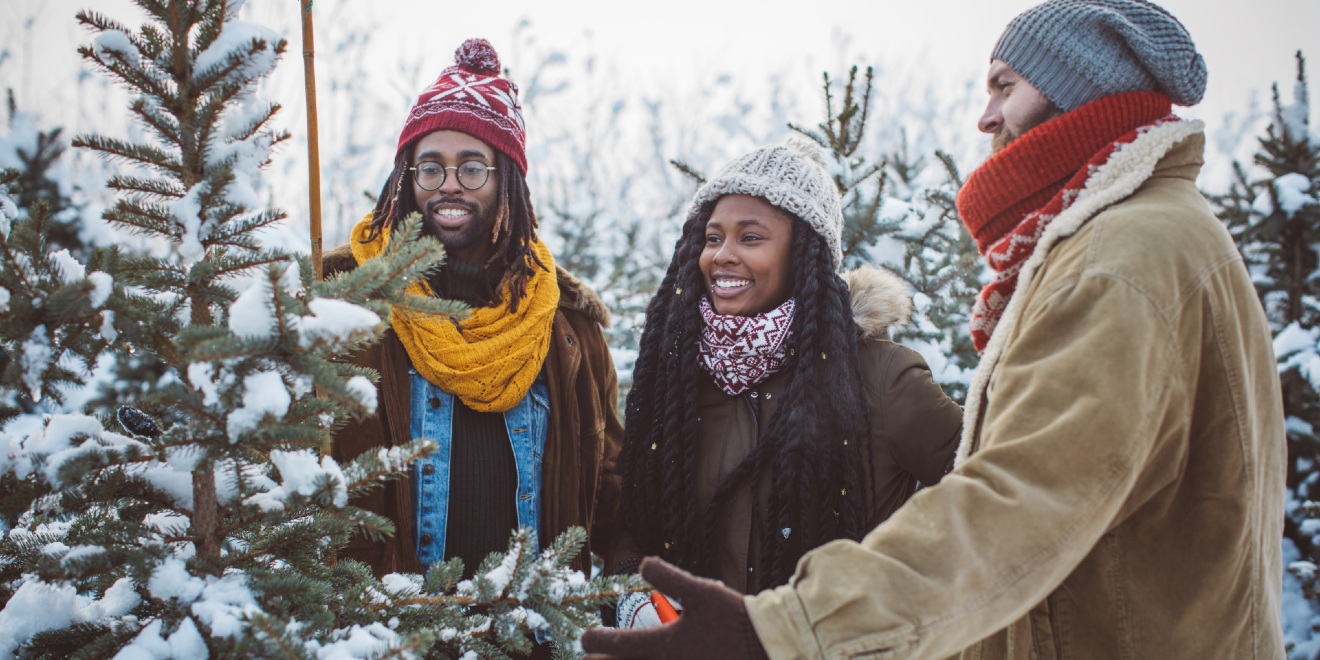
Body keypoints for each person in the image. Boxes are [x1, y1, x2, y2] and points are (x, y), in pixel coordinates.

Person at [581, 1, 1287, 658]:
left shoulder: (1121, 259)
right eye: (713, 235)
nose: (986, 116)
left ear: (1078, 92)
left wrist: (785, 628)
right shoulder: (1132, 241)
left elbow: (1009, 500)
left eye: (1004, 87)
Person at [607, 138, 962, 628]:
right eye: (713, 238)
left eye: (750, 238)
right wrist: (633, 591)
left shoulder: (883, 377)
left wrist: (903, 601)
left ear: (804, 254)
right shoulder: (678, 381)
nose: (722, 256)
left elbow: (993, 491)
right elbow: (635, 520)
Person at [322, 38, 622, 584]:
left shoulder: (566, 326)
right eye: (430, 168)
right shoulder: (343, 297)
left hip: (533, 632)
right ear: (406, 181)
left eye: (472, 167)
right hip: (386, 634)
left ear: (507, 178)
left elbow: (609, 489)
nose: (450, 185)